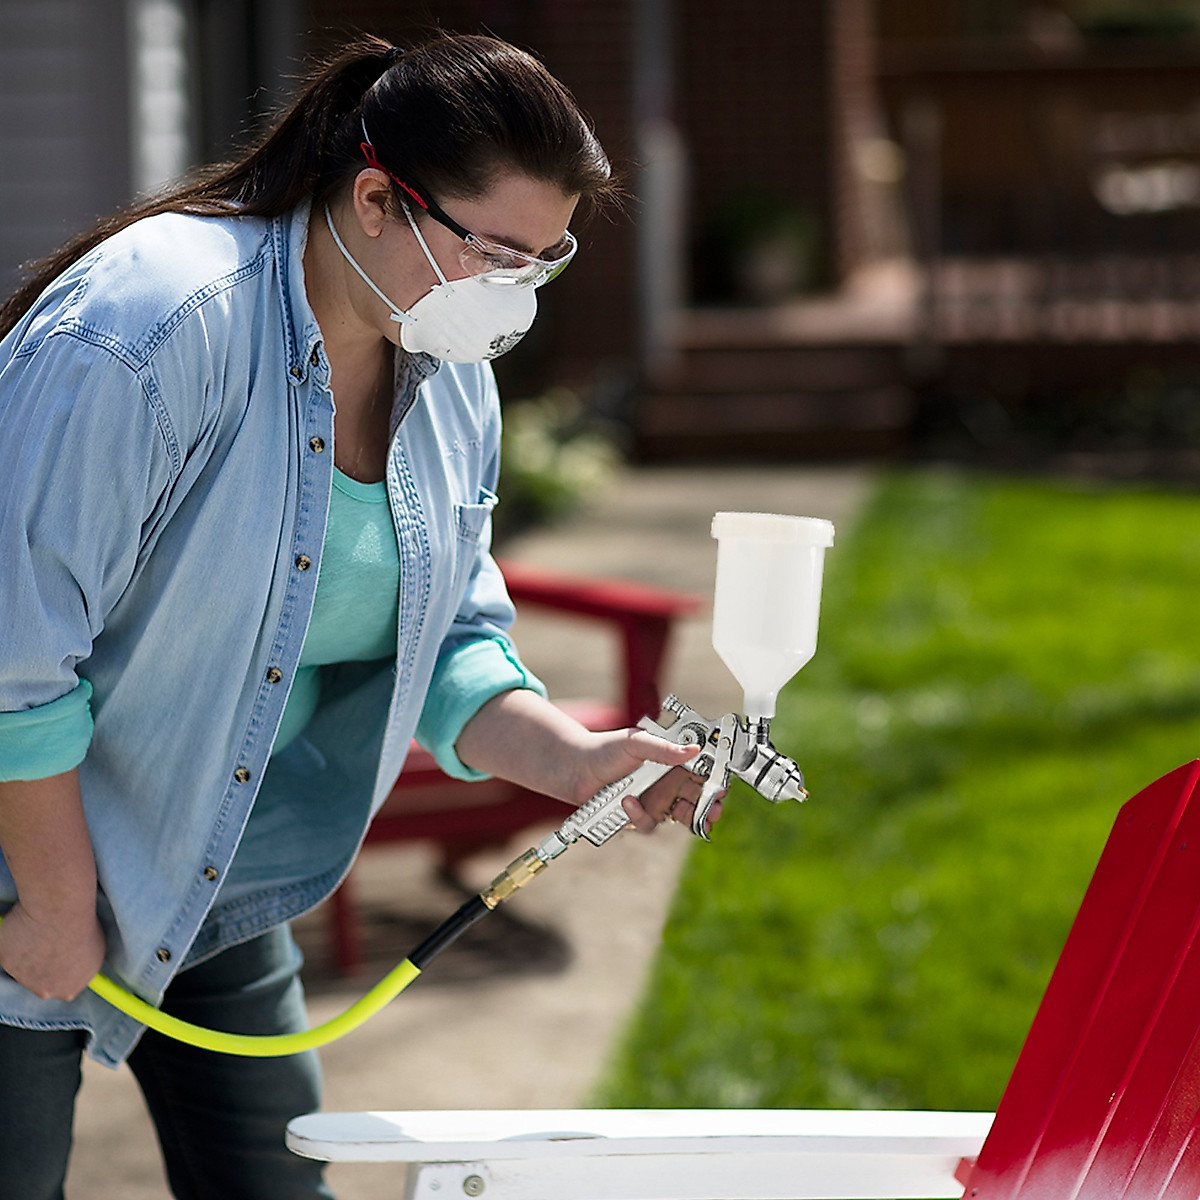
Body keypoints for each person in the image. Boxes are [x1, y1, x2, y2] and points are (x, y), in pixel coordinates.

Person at [0, 33, 715, 1200]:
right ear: (376, 196)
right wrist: (54, 906)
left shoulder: (445, 368)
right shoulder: (150, 326)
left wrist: (580, 761)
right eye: (494, 253)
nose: (512, 300)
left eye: (543, 265)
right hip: (24, 863)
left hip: (211, 869)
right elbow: (10, 650)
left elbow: (450, 645)